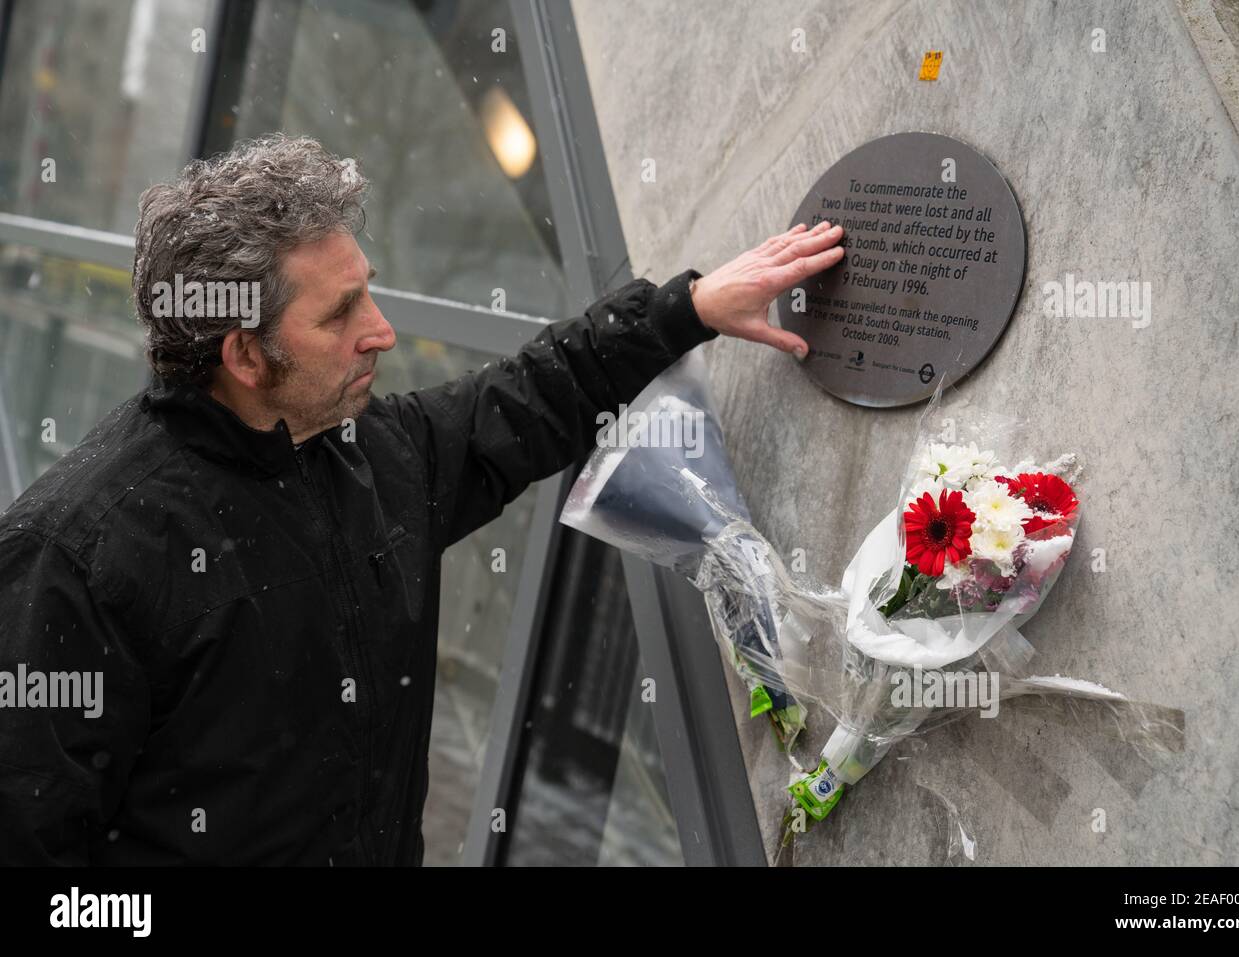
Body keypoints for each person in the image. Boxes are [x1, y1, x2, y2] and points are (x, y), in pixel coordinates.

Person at [0, 133, 845, 865]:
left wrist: (687, 308)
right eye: (340, 314)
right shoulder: (73, 555)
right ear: (244, 355)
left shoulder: (365, 454)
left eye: (367, 288)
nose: (381, 329)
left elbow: (529, 397)